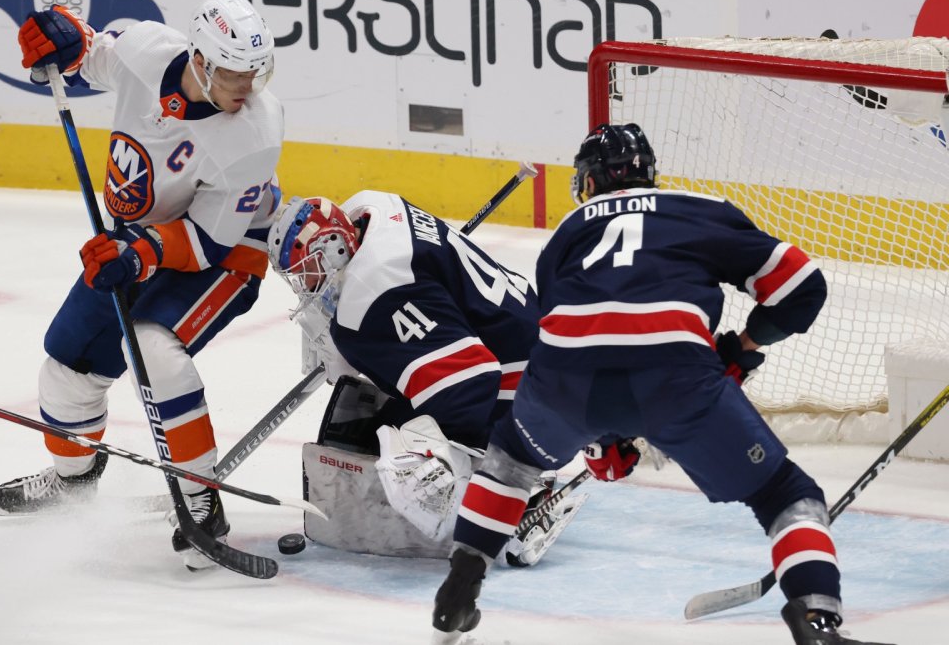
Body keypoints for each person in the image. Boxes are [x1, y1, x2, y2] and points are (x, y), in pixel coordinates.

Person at [428, 124, 890, 645]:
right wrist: (742, 346)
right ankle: (815, 616)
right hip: (677, 376)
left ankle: (459, 591)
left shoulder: (568, 230)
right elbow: (802, 286)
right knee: (787, 493)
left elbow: (577, 331)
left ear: (589, 182)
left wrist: (602, 436)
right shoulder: (699, 207)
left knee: (510, 459)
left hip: (561, 380)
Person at [0, 0, 284, 571]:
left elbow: (207, 243)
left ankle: (202, 501)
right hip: (138, 239)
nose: (246, 85)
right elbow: (93, 53)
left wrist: (141, 253)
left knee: (153, 348)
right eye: (232, 72)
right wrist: (64, 37)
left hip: (225, 255)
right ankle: (73, 480)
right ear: (198, 60)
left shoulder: (255, 131)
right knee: (66, 366)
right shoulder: (149, 49)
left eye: (255, 72)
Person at [267, 192, 587, 566]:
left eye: (306, 270)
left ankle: (514, 503)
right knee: (381, 418)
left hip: (532, 395)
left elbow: (473, 382)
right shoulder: (376, 207)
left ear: (334, 247)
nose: (304, 285)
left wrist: (426, 450)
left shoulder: (369, 299)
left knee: (405, 456)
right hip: (540, 351)